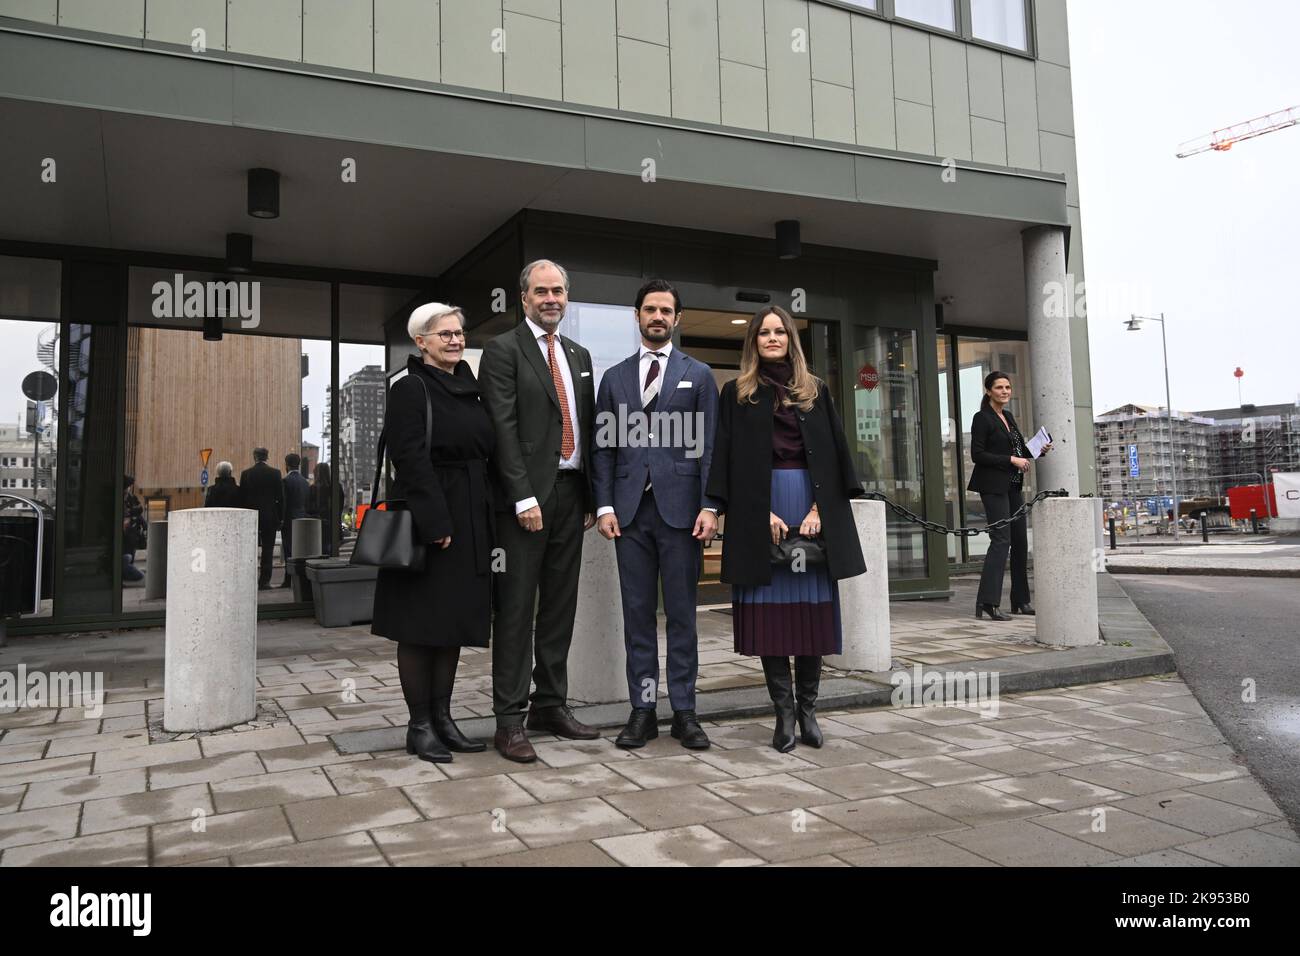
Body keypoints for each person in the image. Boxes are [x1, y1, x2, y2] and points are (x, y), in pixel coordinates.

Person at [705, 306, 865, 753]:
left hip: (812, 510)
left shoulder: (815, 389)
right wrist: (755, 512)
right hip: (762, 511)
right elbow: (726, 459)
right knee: (772, 619)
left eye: (779, 332)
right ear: (753, 341)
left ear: (790, 339)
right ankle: (784, 715)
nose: (772, 338)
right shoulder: (737, 392)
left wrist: (820, 508)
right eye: (763, 333)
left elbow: (836, 455)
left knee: (809, 617)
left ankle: (810, 710)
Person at [592, 279, 720, 751]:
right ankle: (643, 711)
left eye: (666, 310)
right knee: (638, 615)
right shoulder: (615, 378)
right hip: (628, 516)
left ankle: (685, 712)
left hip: (683, 514)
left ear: (677, 318)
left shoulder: (700, 375)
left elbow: (709, 447)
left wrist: (711, 505)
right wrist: (603, 504)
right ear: (638, 316)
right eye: (650, 309)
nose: (658, 317)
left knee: (683, 615)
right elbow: (603, 449)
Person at [478, 259, 597, 763]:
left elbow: (588, 428)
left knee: (559, 608)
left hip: (573, 496)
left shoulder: (578, 353)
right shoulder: (503, 350)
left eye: (559, 291)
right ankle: (510, 721)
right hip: (525, 502)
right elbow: (501, 427)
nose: (551, 299)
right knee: (516, 610)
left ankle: (551, 703)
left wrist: (594, 496)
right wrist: (522, 496)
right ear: (523, 297)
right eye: (541, 291)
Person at [372, 303, 495, 763]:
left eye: (460, 333)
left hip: (471, 515)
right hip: (432, 519)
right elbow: (410, 458)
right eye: (445, 334)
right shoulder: (410, 388)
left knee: (452, 625)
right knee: (421, 625)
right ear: (420, 341)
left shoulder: (471, 386)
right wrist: (435, 521)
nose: (456, 340)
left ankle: (444, 719)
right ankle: (419, 724)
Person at [967, 371, 1051, 620]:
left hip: (1013, 486)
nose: (1005, 391)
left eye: (1008, 387)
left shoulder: (1008, 416)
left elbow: (1019, 451)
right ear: (988, 391)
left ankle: (1020, 600)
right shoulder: (982, 418)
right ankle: (988, 602)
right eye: (999, 387)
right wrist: (1011, 459)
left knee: (1020, 542)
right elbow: (978, 455)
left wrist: (1039, 450)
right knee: (1001, 541)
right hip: (993, 487)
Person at [238, 448, 284, 590]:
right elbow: (280, 498)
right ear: (267, 457)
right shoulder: (275, 473)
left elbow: (242, 498)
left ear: (254, 457)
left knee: (249, 549)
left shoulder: (246, 474)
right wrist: (280, 518)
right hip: (269, 516)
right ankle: (264, 581)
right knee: (268, 550)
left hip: (251, 517)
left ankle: (249, 579)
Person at [280, 453, 310, 589]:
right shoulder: (305, 482)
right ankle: (301, 579)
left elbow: (284, 503)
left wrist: (281, 519)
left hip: (289, 520)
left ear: (286, 465)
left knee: (288, 551)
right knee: (300, 551)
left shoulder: (285, 481)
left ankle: (288, 580)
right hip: (302, 519)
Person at [307, 461, 335, 556]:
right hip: (332, 527)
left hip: (317, 527)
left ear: (316, 474)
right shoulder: (336, 488)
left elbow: (308, 509)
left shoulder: (313, 489)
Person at [122, 475, 146, 583]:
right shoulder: (120, 498)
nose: (127, 489)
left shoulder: (131, 497)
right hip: (124, 534)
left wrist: (130, 514)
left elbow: (140, 509)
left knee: (130, 553)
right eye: (127, 487)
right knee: (125, 554)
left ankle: (128, 573)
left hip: (132, 532)